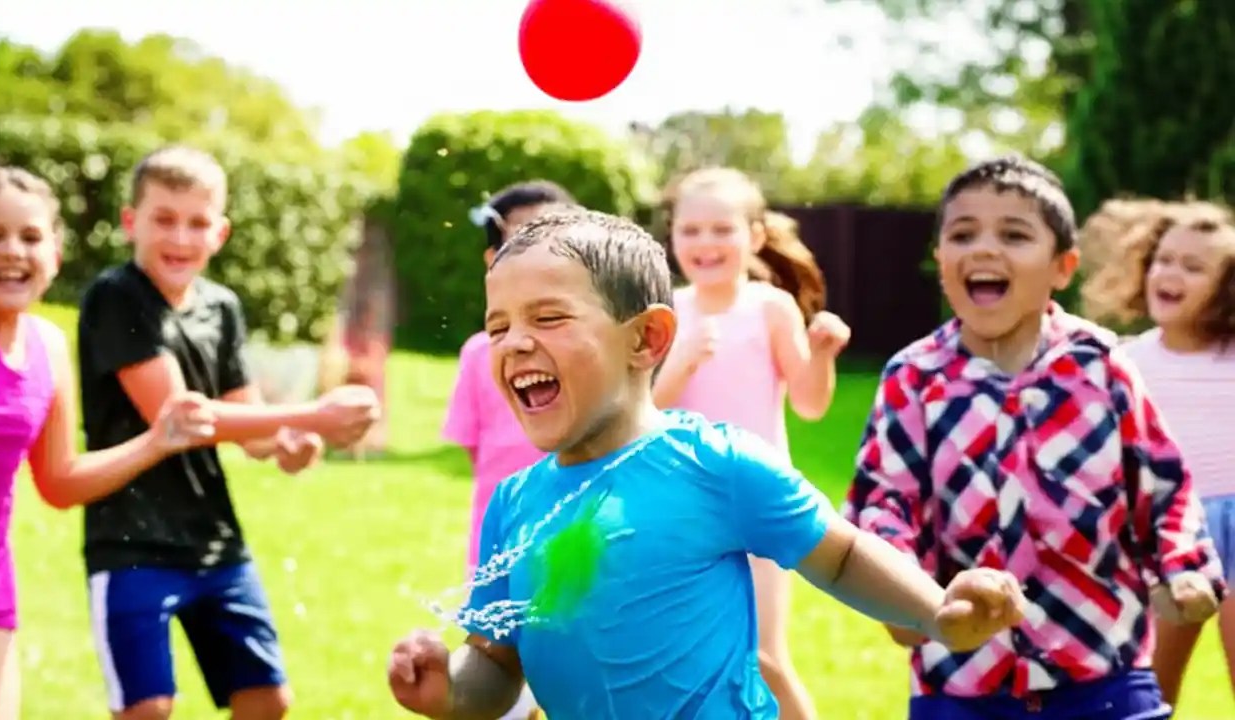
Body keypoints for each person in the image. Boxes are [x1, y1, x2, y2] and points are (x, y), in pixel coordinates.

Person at [389, 209, 1028, 720]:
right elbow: (498, 666)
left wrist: (938, 611)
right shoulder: (515, 503)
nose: (516, 342)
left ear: (646, 339)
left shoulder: (712, 464)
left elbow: (842, 554)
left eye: (549, 317)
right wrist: (448, 690)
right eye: (497, 328)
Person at [843, 155, 1227, 719]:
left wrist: (1184, 564)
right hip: (962, 679)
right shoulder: (914, 377)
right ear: (941, 260)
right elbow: (886, 503)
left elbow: (1163, 484)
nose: (984, 248)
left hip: (1104, 671)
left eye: (1015, 234)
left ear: (1062, 267)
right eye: (962, 234)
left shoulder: (1099, 364)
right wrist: (906, 598)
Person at [76, 146, 381, 720]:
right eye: (164, 219)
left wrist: (290, 443)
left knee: (267, 699)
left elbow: (250, 425)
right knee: (149, 708)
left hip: (216, 541)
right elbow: (183, 419)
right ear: (129, 222)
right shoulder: (115, 297)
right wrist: (312, 414)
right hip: (130, 544)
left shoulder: (222, 307)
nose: (181, 238)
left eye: (197, 223)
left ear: (221, 233)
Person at [0, 165, 217, 720]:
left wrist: (157, 441)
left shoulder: (47, 347)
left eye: (30, 237)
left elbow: (60, 479)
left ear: (55, 253)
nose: (12, 250)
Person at [653, 167, 849, 720]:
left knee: (763, 657)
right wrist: (682, 359)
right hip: (680, 510)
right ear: (673, 236)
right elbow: (644, 412)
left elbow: (810, 405)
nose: (705, 244)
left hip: (758, 503)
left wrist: (822, 355)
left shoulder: (770, 308)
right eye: (691, 230)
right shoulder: (667, 309)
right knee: (684, 661)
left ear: (755, 237)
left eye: (722, 229)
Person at [1082, 200, 1235, 709]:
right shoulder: (1126, 359)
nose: (1171, 273)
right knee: (1149, 690)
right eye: (1164, 259)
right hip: (1167, 534)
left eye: (1195, 267)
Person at [447, 180, 578, 720]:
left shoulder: (588, 349)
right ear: (490, 262)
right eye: (520, 241)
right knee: (500, 683)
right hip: (501, 550)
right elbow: (474, 452)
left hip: (580, 544)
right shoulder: (479, 353)